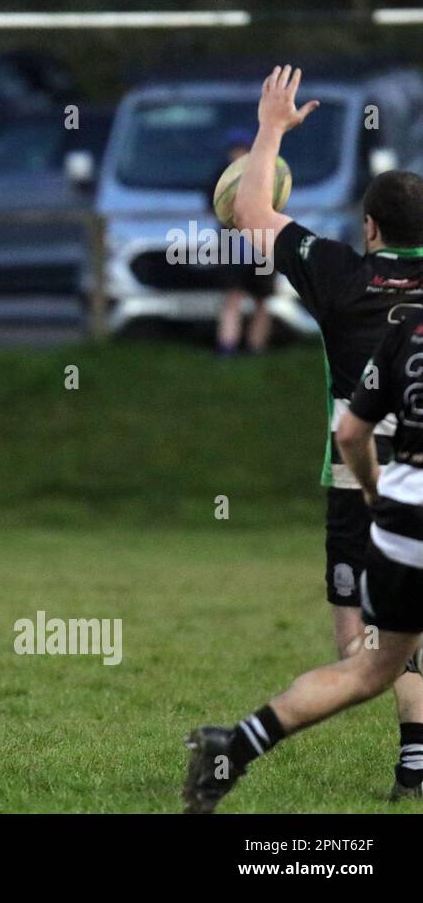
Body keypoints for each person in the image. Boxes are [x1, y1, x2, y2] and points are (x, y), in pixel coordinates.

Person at [183, 65, 423, 809]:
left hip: (363, 475)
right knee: (391, 646)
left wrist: (272, 129)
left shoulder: (341, 274)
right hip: (409, 475)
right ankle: (413, 757)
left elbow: (252, 210)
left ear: (370, 230)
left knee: (372, 644)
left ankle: (408, 758)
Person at [185, 314, 423, 812]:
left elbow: (352, 434)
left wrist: (375, 492)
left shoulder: (405, 331)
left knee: (368, 671)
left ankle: (234, 747)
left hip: (401, 526)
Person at [211, 129, 273, 355]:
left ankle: (256, 346)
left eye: (243, 150)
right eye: (235, 150)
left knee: (262, 299)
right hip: (233, 244)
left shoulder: (266, 174)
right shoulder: (221, 177)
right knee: (232, 297)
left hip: (259, 244)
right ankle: (228, 345)